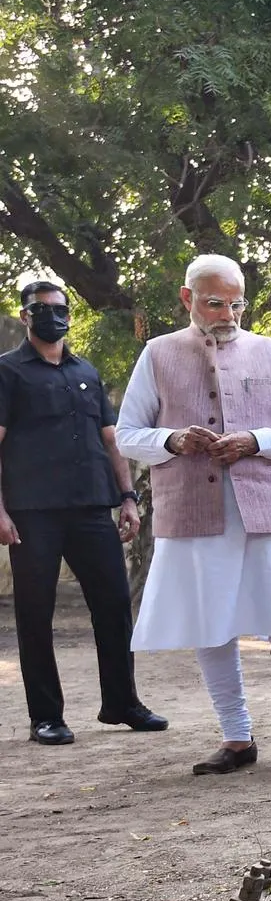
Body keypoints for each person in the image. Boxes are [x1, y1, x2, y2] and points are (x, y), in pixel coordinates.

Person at [115, 254, 271, 777]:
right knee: (210, 622)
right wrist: (171, 439)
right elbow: (128, 434)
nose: (228, 314)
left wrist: (254, 441)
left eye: (236, 303)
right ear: (187, 298)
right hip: (194, 509)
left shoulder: (270, 351)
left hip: (264, 505)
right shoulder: (158, 353)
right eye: (216, 302)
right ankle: (236, 737)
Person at [0, 280, 167, 744]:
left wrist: (128, 497)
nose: (51, 315)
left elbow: (111, 441)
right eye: (41, 309)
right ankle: (46, 717)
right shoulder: (8, 372)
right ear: (25, 315)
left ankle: (121, 703)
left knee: (114, 606)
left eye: (58, 308)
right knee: (36, 613)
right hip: (34, 512)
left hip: (92, 507)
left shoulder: (86, 372)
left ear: (70, 314)